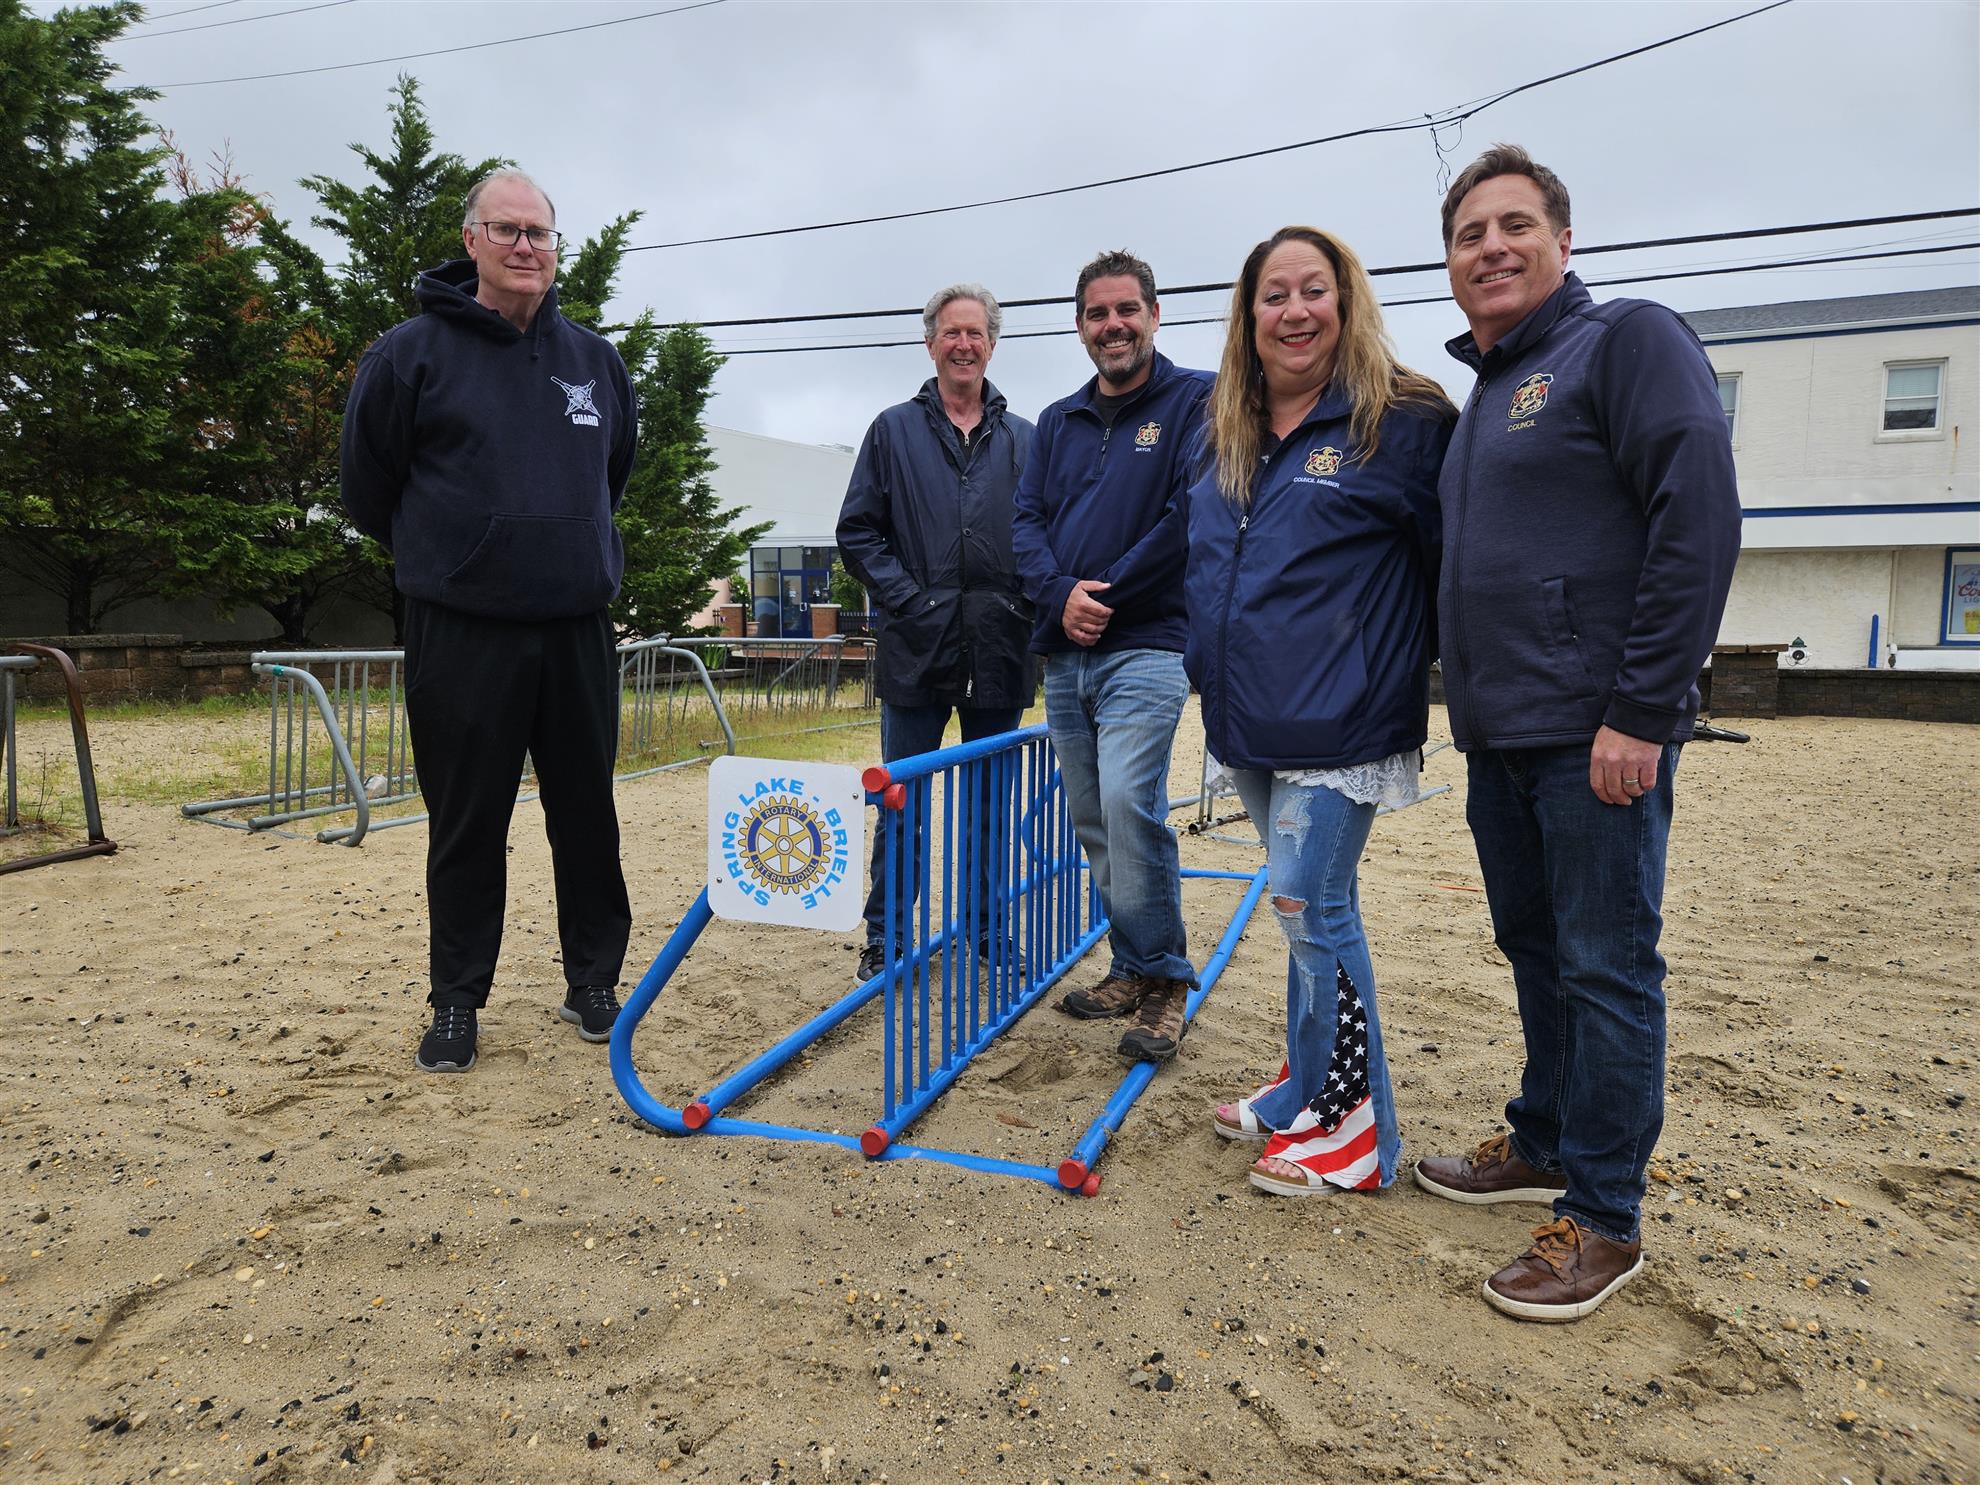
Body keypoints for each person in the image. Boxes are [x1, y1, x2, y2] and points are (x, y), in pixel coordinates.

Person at [1414, 145, 1741, 1321]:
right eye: (1468, 234)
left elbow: (1696, 517)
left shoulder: (1627, 341)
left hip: (1597, 734)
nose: (1490, 247)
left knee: (1608, 968)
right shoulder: (1485, 398)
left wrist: (1644, 710)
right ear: (1449, 265)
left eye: (1515, 225)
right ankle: (1542, 1139)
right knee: (1539, 951)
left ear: (1565, 240)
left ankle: (1603, 1218)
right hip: (1501, 737)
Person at [340, 169, 638, 1074]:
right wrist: (461, 554)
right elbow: (368, 490)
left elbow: (608, 477)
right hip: (462, 630)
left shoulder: (595, 362)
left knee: (586, 813)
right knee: (466, 820)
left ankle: (593, 980)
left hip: (575, 627)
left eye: (540, 232)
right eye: (506, 229)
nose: (525, 246)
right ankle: (457, 999)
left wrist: (564, 549)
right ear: (470, 240)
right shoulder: (409, 355)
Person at [1181, 226, 1454, 1194]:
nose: (1294, 312)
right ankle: (1306, 1082)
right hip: (1249, 722)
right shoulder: (1227, 432)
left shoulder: (1405, 421)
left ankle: (1357, 1130)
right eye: (1273, 296)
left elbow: (1451, 563)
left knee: (1312, 900)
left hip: (1344, 722)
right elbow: (1204, 562)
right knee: (1297, 910)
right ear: (1248, 319)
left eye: (1313, 291)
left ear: (1347, 301)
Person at [1011, 251, 1212, 1064]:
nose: (1113, 325)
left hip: (1148, 644)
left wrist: (1106, 593)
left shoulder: (1194, 399)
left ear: (1154, 315)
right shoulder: (1057, 420)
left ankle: (1164, 981)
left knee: (1131, 805)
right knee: (1094, 820)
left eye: (1127, 309)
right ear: (1081, 326)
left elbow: (1189, 513)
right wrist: (1060, 595)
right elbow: (1024, 520)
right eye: (1097, 314)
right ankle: (1132, 963)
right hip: (1066, 651)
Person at [835, 284, 1036, 985]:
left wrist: (1026, 609)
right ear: (931, 343)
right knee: (902, 803)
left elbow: (1046, 536)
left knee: (989, 803)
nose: (964, 344)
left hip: (1000, 649)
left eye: (976, 333)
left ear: (992, 343)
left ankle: (987, 930)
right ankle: (886, 938)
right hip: (916, 652)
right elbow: (857, 530)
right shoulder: (893, 431)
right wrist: (909, 601)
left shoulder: (1025, 439)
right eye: (951, 332)